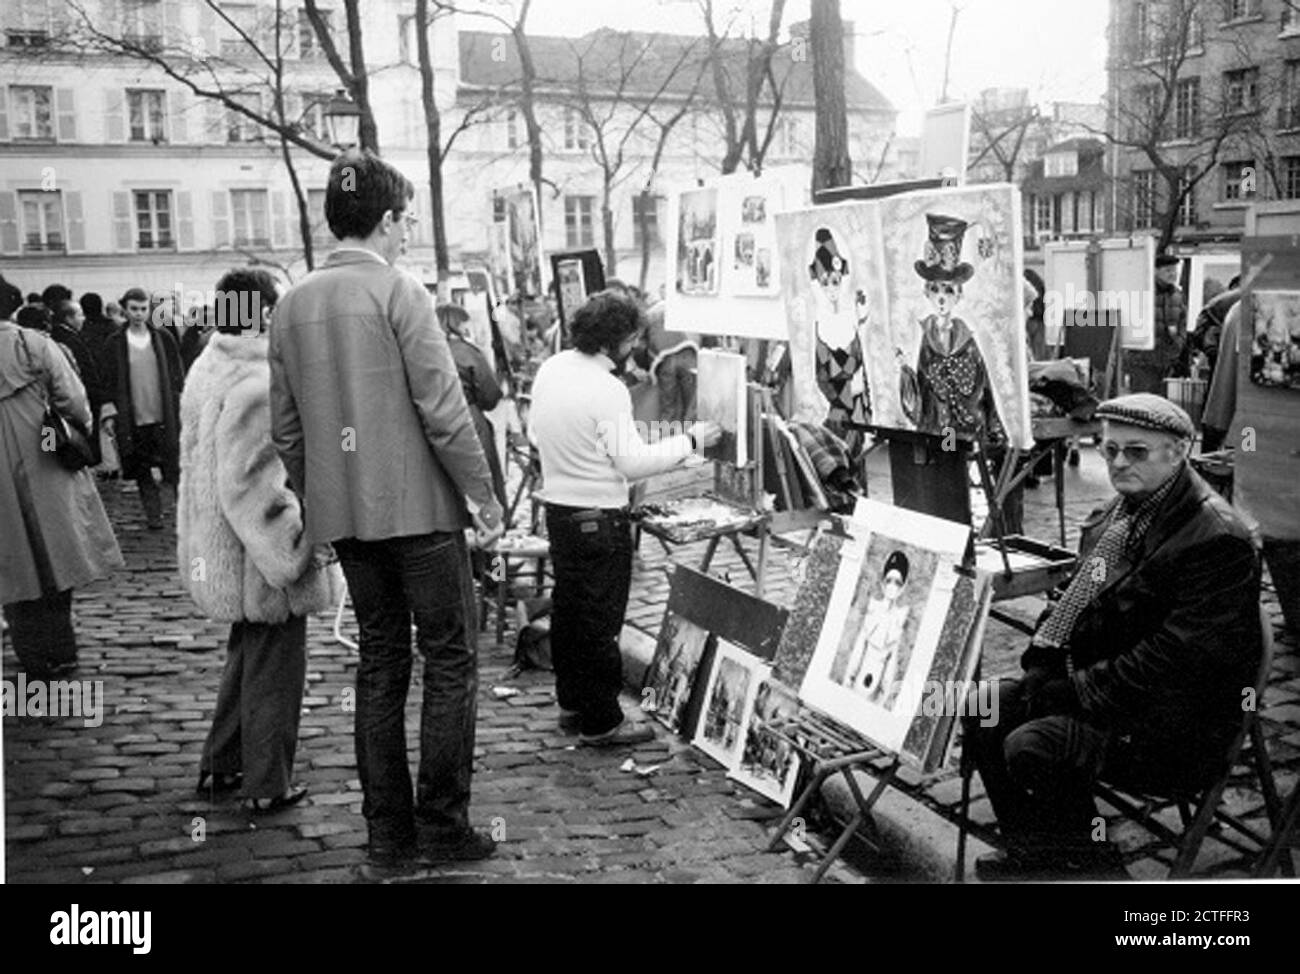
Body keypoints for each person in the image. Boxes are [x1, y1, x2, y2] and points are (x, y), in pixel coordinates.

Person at [269, 149, 505, 873]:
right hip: (422, 512)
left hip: (348, 518)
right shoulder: (402, 292)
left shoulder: (290, 304)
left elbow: (286, 430)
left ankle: (387, 838)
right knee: (450, 659)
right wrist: (485, 496)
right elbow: (444, 410)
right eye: (404, 219)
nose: (407, 233)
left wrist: (320, 500)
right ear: (387, 219)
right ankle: (442, 823)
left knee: (378, 664)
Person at [963, 393, 1260, 880]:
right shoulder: (1117, 516)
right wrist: (1045, 659)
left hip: (1175, 723)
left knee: (1033, 744)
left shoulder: (1216, 537)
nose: (1118, 461)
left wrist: (1076, 692)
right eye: (1109, 448)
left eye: (1136, 451)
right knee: (982, 708)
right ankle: (1039, 850)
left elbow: (1178, 659)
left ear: (1178, 450)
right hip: (1117, 693)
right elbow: (1077, 605)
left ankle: (1090, 863)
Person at [180, 268, 341, 813]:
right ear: (264, 313)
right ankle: (267, 784)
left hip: (224, 548)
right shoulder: (255, 381)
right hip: (255, 553)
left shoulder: (209, 365)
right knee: (275, 666)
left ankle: (221, 764)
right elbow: (253, 486)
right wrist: (294, 551)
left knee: (247, 654)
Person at [528, 290, 721, 745]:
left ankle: (573, 705)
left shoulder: (552, 368)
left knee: (570, 613)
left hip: (560, 511)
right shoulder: (607, 388)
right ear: (616, 339)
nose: (635, 346)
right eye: (633, 337)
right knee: (599, 622)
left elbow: (537, 433)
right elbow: (631, 463)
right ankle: (602, 721)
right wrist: (691, 440)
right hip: (599, 516)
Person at [0, 277, 123, 678]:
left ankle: (32, 653)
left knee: (13, 562)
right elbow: (73, 400)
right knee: (58, 554)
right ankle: (61, 647)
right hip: (45, 451)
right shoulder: (35, 345)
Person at [900, 214, 1005, 443]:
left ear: (958, 295)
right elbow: (920, 386)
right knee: (944, 470)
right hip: (936, 429)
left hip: (967, 428)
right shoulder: (925, 336)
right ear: (927, 293)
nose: (941, 299)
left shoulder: (966, 338)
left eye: (948, 291)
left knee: (962, 470)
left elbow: (983, 385)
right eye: (935, 290)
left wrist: (993, 427)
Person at [104, 286, 183, 530]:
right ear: (125, 311)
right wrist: (109, 414)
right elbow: (108, 380)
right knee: (142, 471)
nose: (139, 314)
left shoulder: (163, 338)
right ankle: (154, 515)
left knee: (173, 469)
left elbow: (177, 375)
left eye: (143, 309)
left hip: (163, 416)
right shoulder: (115, 342)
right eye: (134, 309)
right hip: (133, 418)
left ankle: (183, 514)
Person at [808, 227, 871, 455]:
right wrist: (846, 391)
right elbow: (821, 375)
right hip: (838, 412)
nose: (831, 289)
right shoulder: (821, 325)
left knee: (858, 456)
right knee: (841, 459)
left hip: (858, 412)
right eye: (826, 283)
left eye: (835, 282)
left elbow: (862, 361)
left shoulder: (850, 318)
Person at [437, 302, 507, 509]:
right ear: (456, 324)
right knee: (482, 473)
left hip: (437, 418)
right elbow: (490, 394)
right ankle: (491, 520)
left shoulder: (427, 350)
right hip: (470, 418)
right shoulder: (465, 351)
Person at [843, 551, 910, 704]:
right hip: (860, 674)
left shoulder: (899, 620)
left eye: (898, 582)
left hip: (877, 681)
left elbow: (890, 665)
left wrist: (882, 697)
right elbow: (859, 650)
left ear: (903, 587)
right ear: (882, 582)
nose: (892, 586)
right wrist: (848, 680)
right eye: (889, 580)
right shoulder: (873, 610)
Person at [49, 298, 106, 465]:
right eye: (79, 315)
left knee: (51, 444)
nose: (83, 319)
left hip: (48, 406)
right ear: (68, 318)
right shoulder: (70, 340)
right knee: (76, 440)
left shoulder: (54, 340)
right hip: (73, 399)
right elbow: (84, 372)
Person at [1127, 254, 1186, 394]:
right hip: (1142, 359)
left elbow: (1182, 322)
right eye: (1168, 270)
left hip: (1167, 358)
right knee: (1142, 400)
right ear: (1155, 271)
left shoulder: (1177, 295)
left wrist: (1179, 342)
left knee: (1160, 402)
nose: (1173, 274)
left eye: (1174, 270)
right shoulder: (1143, 292)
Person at [640, 300, 699, 426]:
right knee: (691, 404)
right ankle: (691, 436)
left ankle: (668, 439)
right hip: (687, 355)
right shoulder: (677, 318)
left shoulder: (648, 320)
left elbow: (643, 347)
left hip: (665, 361)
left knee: (669, 406)